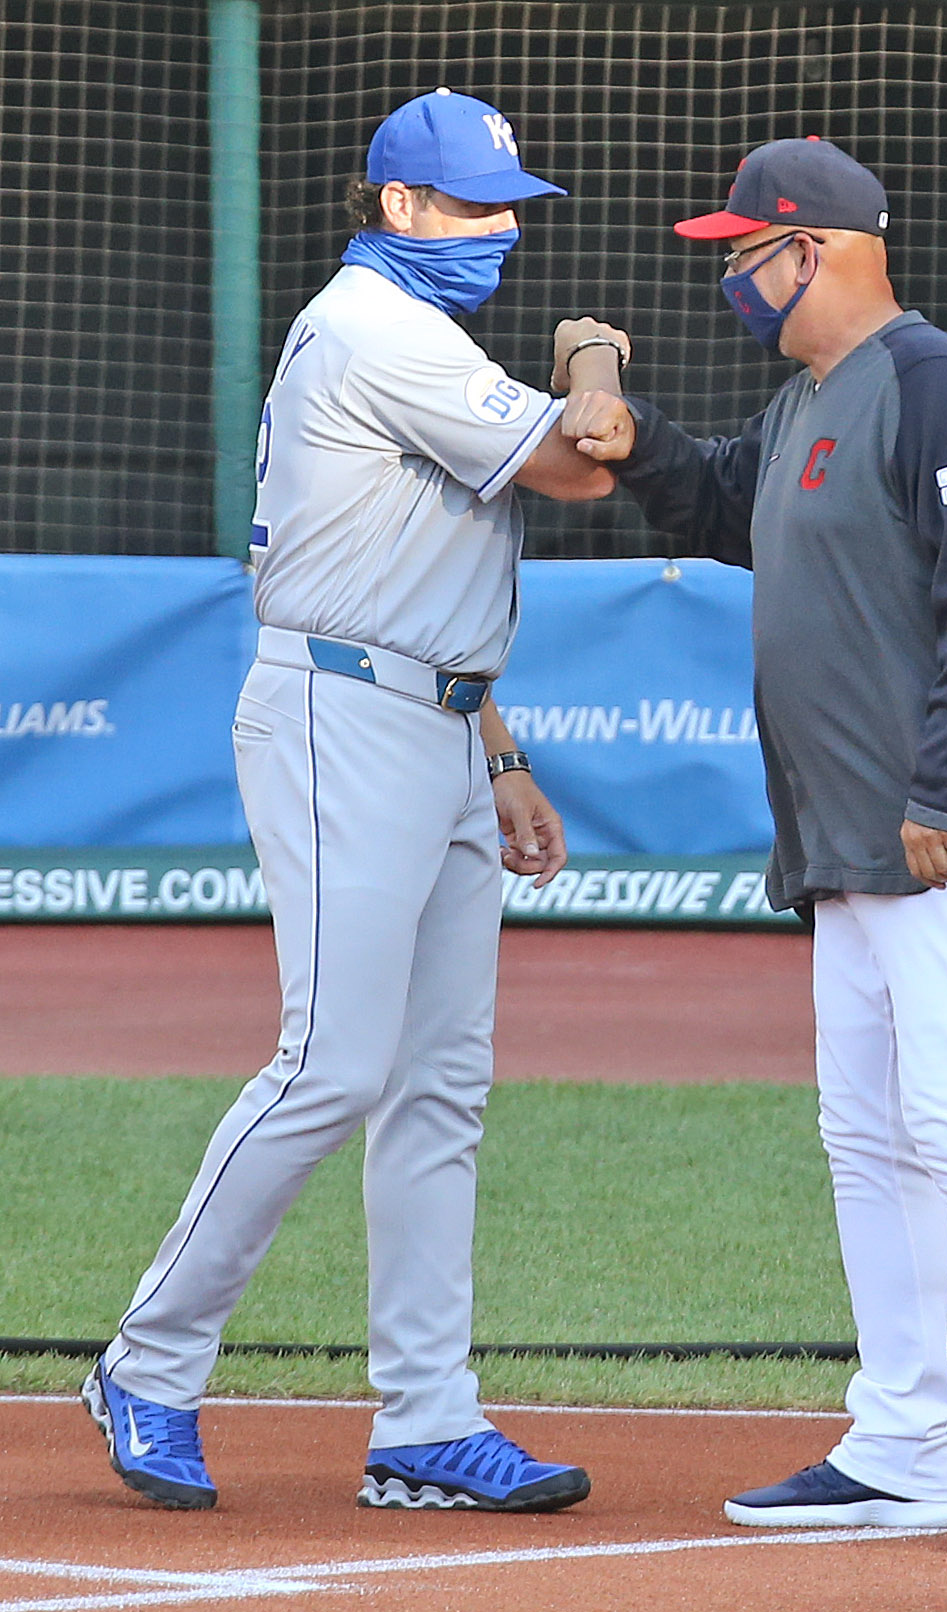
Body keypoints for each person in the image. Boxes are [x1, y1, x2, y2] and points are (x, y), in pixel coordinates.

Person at [559, 137, 947, 1555]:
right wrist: (631, 434)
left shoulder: (932, 384)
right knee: (870, 1140)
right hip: (847, 841)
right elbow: (724, 505)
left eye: (743, 253)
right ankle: (901, 1441)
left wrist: (946, 791)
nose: (731, 279)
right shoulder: (808, 399)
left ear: (809, 249)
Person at [83, 88, 632, 1514]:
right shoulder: (375, 325)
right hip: (341, 710)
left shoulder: (416, 328)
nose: (499, 229)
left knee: (440, 1084)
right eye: (472, 204)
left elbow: (425, 571)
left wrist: (496, 750)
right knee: (332, 1062)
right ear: (399, 204)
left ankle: (427, 1422)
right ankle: (148, 1360)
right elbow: (581, 465)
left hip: (434, 714)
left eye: (509, 207)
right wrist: (589, 352)